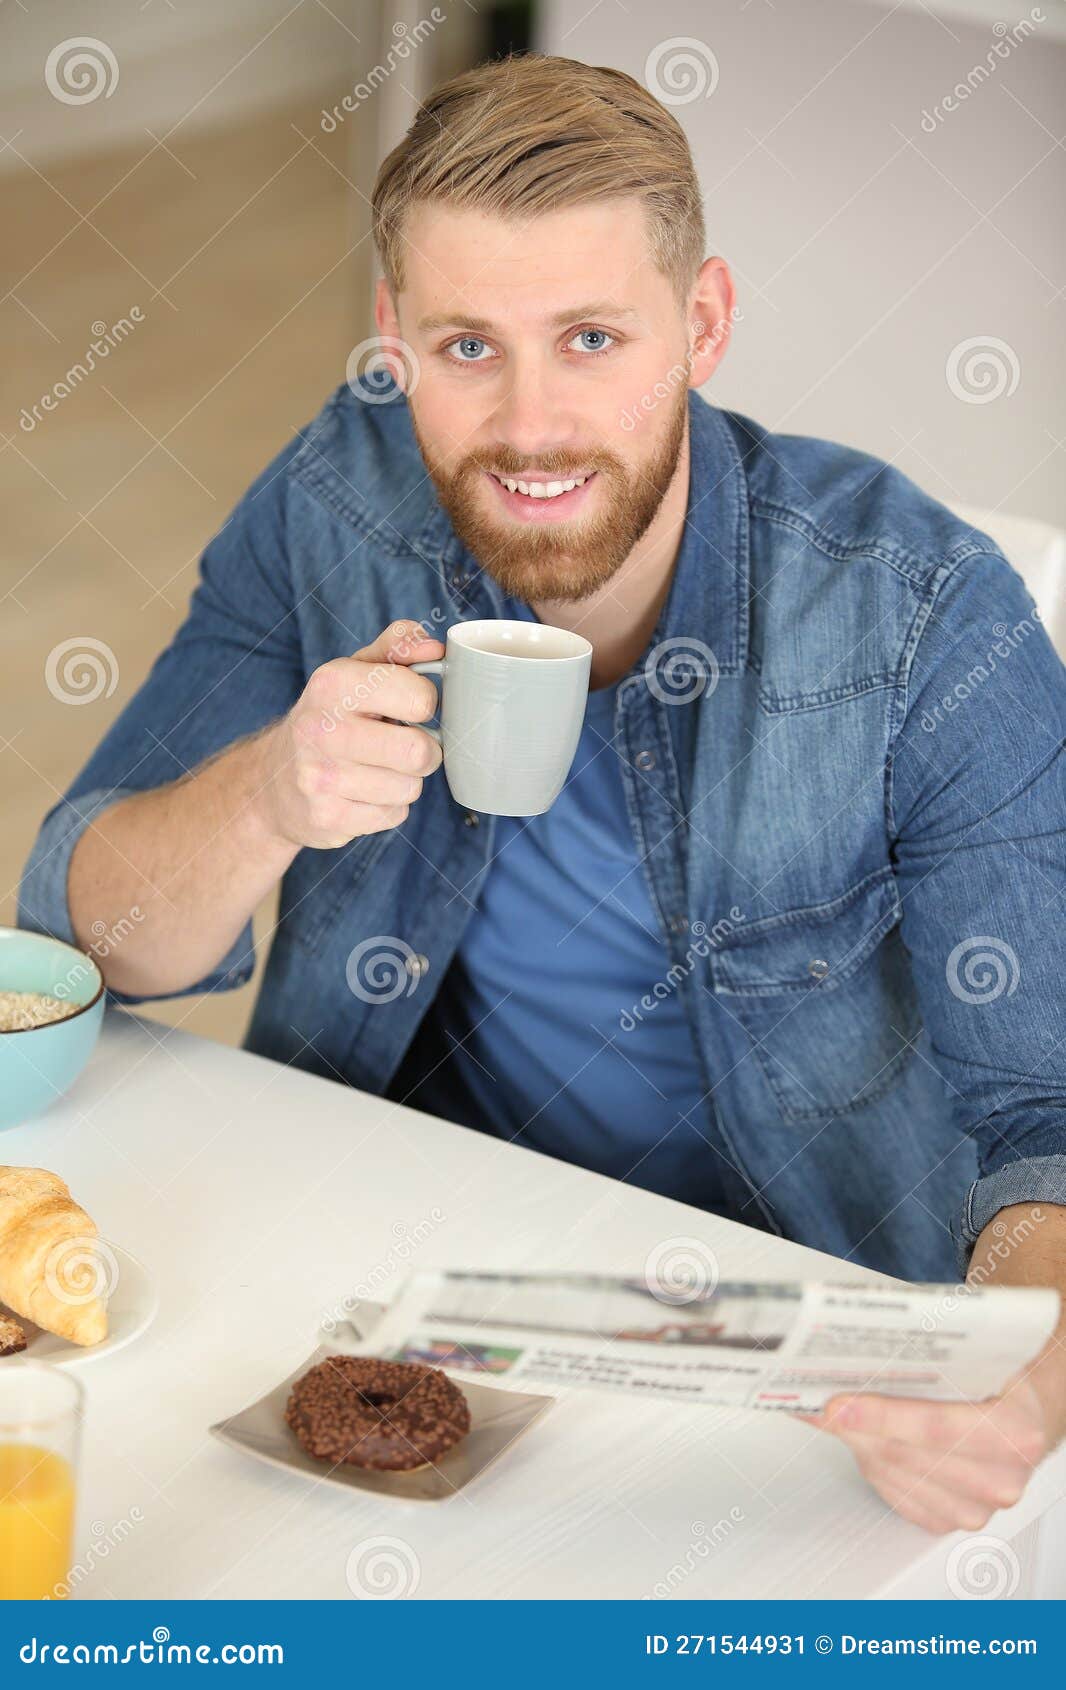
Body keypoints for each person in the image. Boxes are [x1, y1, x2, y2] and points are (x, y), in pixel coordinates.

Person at [19, 55, 1066, 1532]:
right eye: (465, 347)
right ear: (391, 341)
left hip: (786, 1352)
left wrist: (1017, 1379)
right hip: (388, 1273)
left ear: (700, 323)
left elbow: (1048, 1118)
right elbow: (79, 944)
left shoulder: (918, 614)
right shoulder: (334, 505)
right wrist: (267, 795)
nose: (528, 428)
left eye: (589, 338)